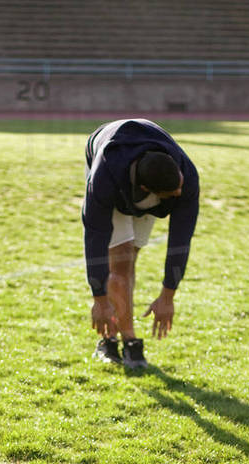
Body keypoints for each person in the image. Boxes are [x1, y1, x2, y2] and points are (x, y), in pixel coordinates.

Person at [82, 118, 199, 368]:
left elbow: (180, 239)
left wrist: (169, 294)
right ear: (148, 190)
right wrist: (99, 298)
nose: (180, 195)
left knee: (130, 262)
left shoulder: (186, 177)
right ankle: (124, 343)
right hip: (114, 174)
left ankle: (119, 337)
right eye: (172, 194)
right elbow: (95, 237)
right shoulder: (103, 178)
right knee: (119, 264)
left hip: (142, 174)